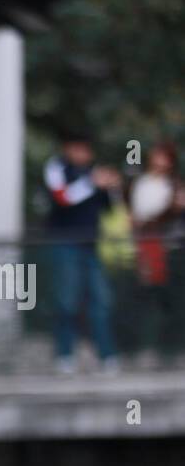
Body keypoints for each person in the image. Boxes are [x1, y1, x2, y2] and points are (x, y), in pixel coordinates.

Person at [44, 129, 122, 374]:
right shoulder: (57, 168)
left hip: (91, 245)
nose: (83, 154)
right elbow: (63, 198)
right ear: (68, 149)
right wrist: (91, 183)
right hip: (65, 244)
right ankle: (65, 356)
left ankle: (107, 356)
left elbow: (111, 208)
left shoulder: (95, 172)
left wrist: (112, 187)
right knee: (67, 301)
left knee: (100, 302)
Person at [128, 142, 184, 362]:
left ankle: (171, 349)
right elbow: (141, 217)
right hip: (149, 246)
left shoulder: (175, 184)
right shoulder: (143, 183)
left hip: (173, 248)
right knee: (149, 296)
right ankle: (147, 347)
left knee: (173, 299)